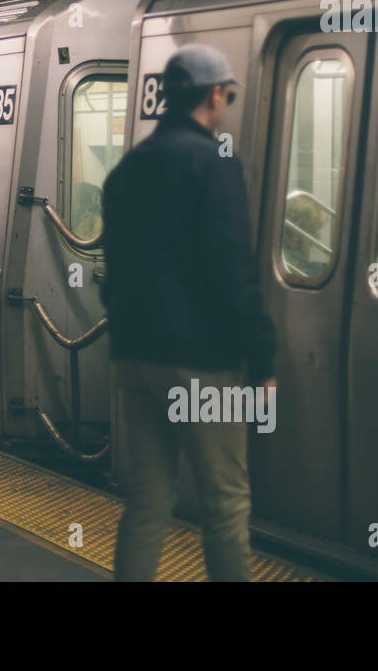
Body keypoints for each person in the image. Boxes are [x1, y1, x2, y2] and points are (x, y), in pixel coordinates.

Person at [101, 44, 276, 582]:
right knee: (224, 501)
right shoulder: (214, 163)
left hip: (136, 360)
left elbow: (115, 271)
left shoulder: (127, 169)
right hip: (202, 362)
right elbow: (232, 272)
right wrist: (261, 359)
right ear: (215, 95)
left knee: (148, 500)